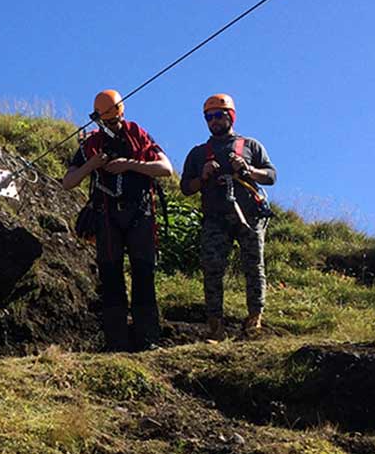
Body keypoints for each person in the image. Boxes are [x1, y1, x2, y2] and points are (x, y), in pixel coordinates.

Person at [62, 90, 174, 351]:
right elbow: (68, 182)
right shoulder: (89, 143)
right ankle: (116, 342)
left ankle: (148, 339)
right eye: (107, 122)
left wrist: (130, 164)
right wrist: (93, 163)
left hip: (140, 213)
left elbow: (166, 168)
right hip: (107, 215)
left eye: (116, 120)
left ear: (122, 113)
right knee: (111, 276)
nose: (113, 126)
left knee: (143, 273)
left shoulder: (139, 135)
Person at [179, 93, 277, 340]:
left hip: (249, 215)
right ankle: (215, 325)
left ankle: (254, 319)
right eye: (209, 117)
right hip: (215, 218)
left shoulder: (251, 146)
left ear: (230, 116)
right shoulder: (198, 153)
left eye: (218, 115)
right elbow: (185, 188)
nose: (214, 121)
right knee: (212, 269)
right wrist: (202, 177)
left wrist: (248, 170)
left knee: (254, 267)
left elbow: (271, 176)